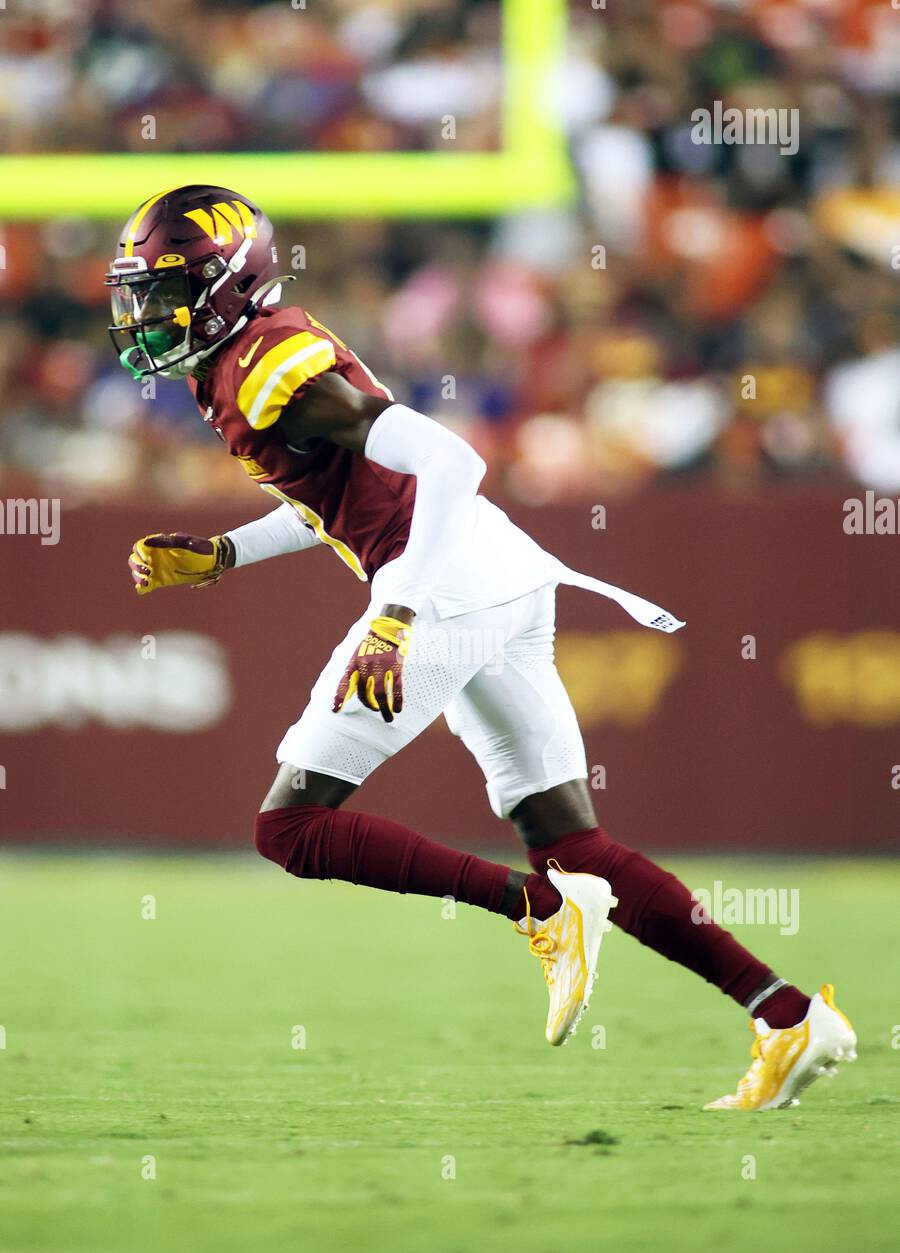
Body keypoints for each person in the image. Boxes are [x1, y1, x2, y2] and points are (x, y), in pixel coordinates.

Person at [110, 185, 856, 1108]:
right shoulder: (242, 362)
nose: (145, 315)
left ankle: (538, 912)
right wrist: (228, 552)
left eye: (164, 291)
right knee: (573, 841)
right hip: (497, 571)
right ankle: (786, 1015)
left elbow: (453, 463)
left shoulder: (272, 366)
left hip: (450, 585)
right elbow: (344, 497)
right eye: (140, 294)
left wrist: (397, 618)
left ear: (226, 283)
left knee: (291, 828)